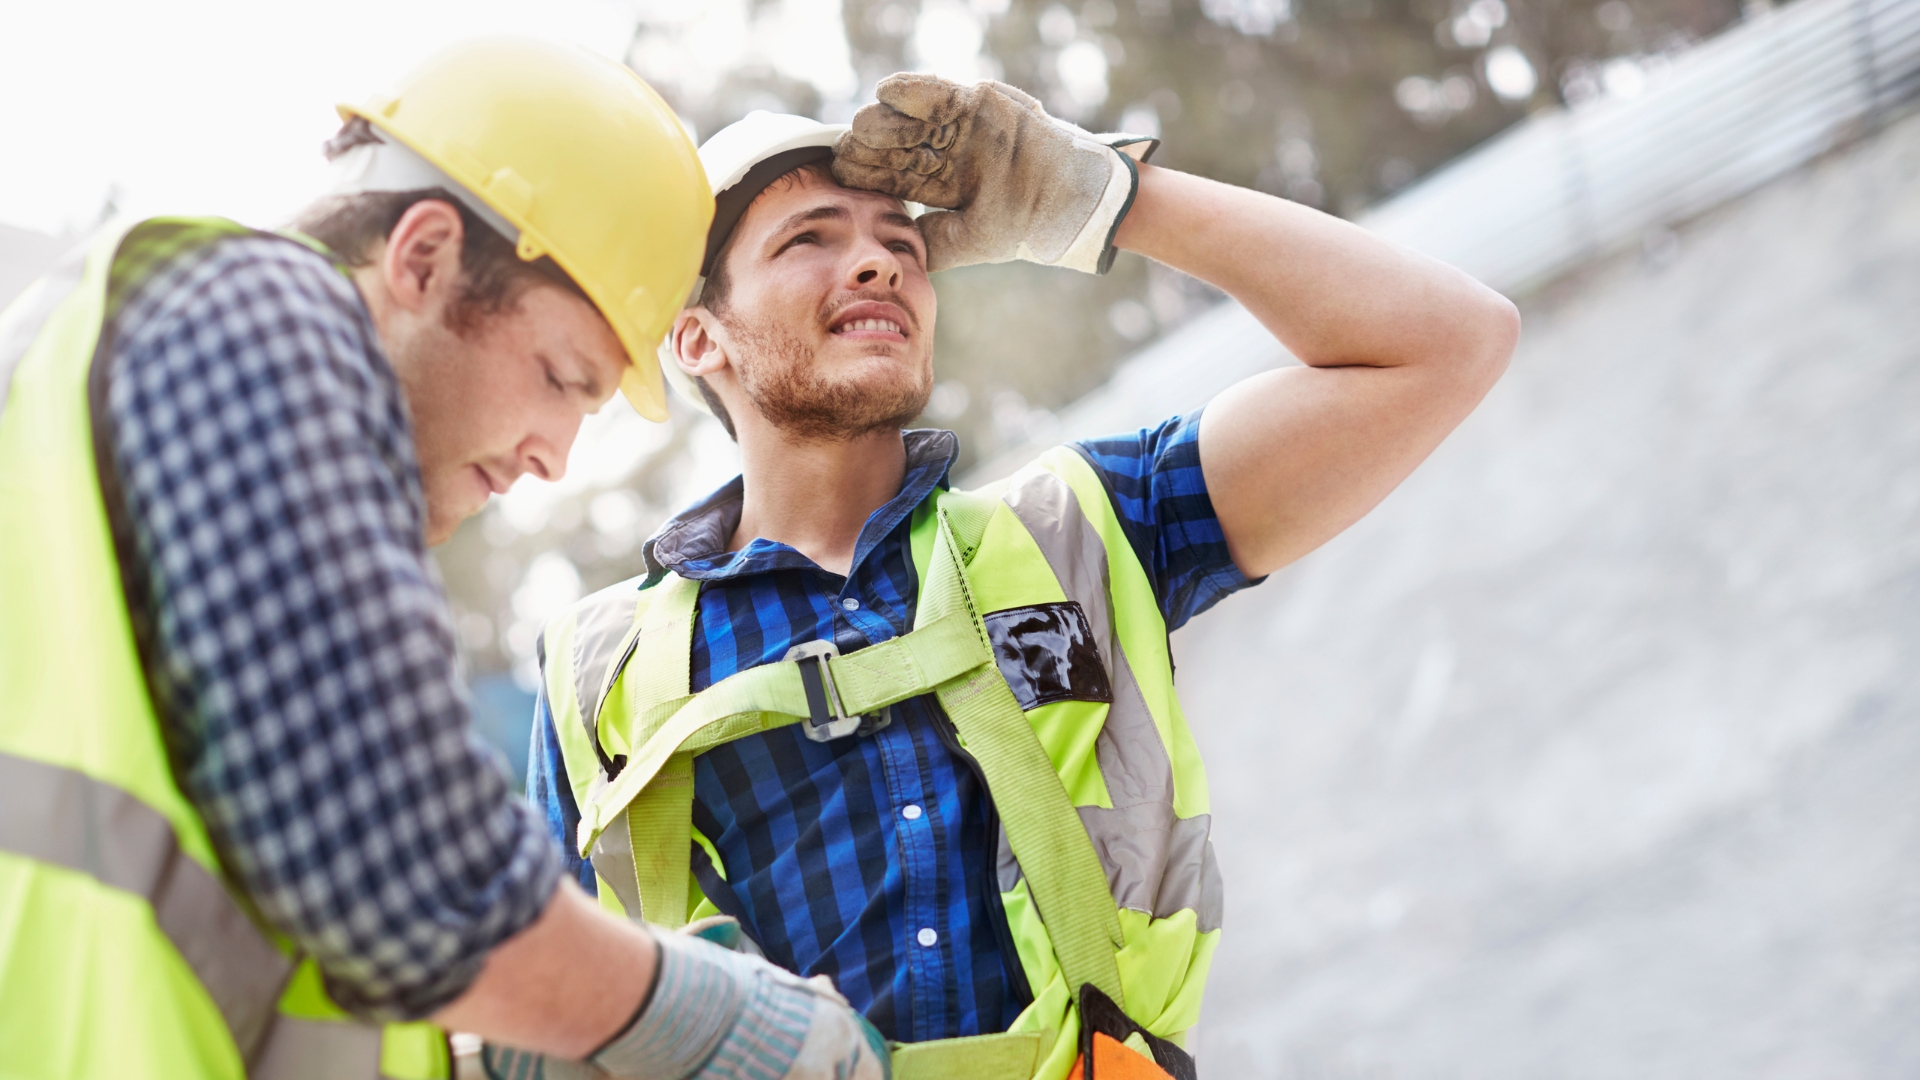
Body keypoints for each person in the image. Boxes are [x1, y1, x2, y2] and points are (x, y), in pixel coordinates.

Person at [525, 77, 1519, 1080]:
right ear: (699, 336)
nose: (877, 260)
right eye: (808, 238)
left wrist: (1104, 197)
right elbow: (544, 1015)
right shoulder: (596, 675)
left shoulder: (1079, 528)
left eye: (902, 244)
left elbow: (1449, 342)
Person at [0, 40, 887, 1080]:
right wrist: (692, 1013)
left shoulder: (155, 387)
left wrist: (475, 1056)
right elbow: (408, 880)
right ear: (422, 258)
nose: (554, 456)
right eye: (562, 377)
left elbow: (273, 904)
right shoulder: (252, 315)